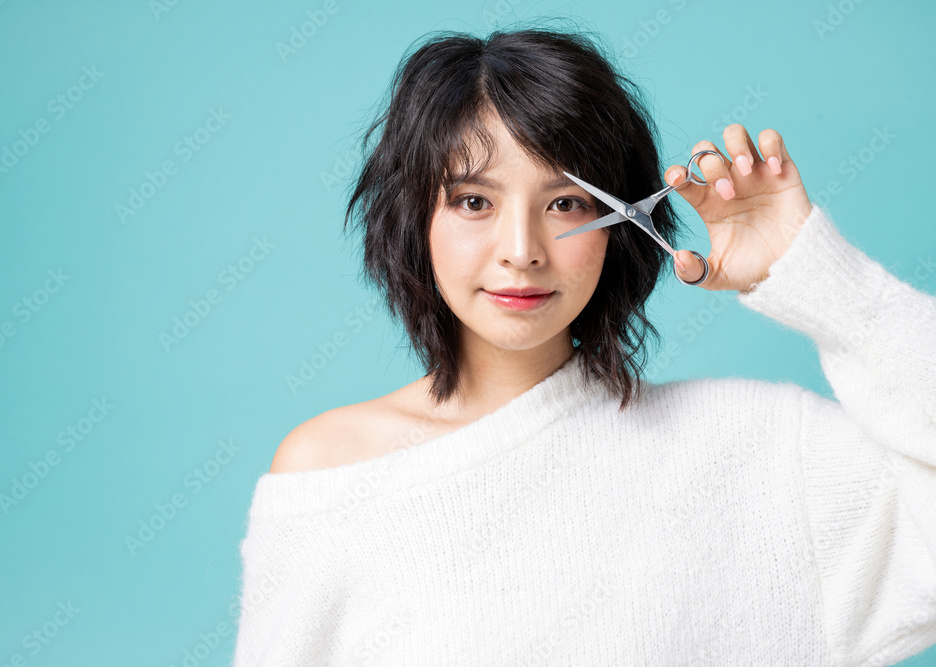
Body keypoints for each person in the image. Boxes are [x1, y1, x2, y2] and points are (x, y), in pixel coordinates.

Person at [231, 25, 936, 666]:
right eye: (475, 201)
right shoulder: (330, 473)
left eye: (566, 203)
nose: (521, 251)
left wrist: (815, 275)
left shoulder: (761, 447)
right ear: (414, 219)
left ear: (619, 224)